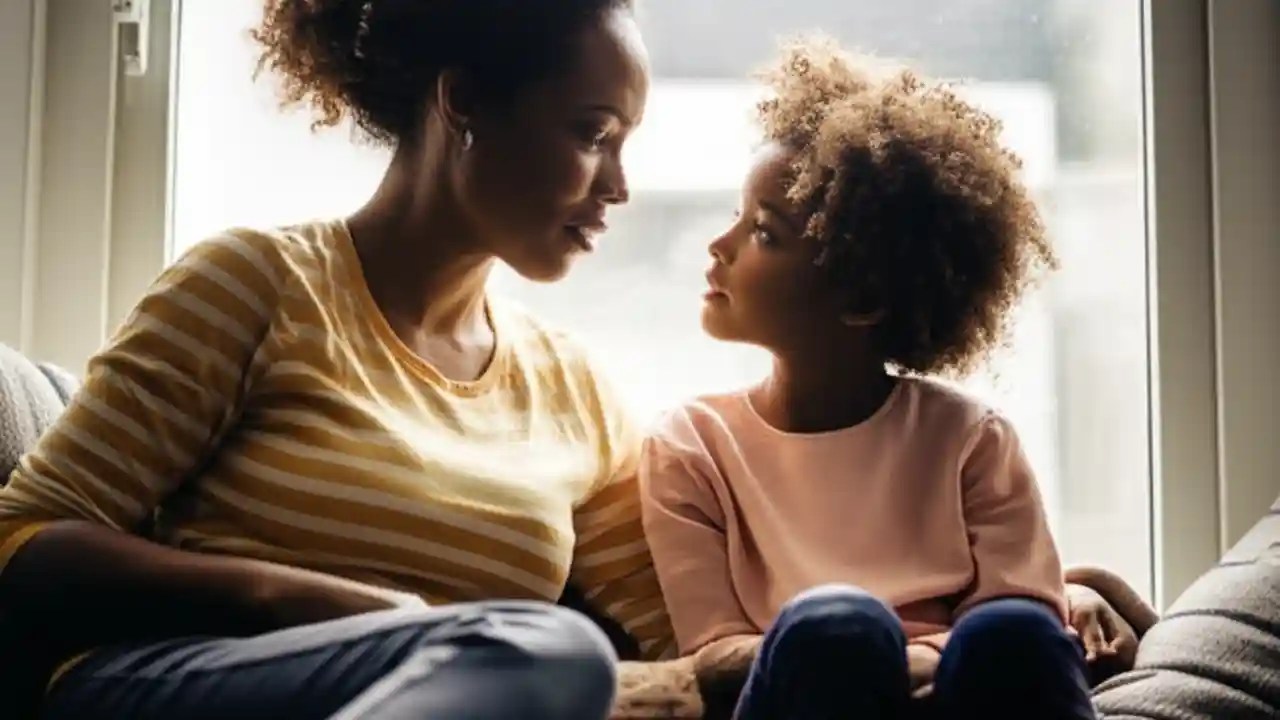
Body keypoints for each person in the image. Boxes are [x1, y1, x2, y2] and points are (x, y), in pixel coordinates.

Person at [0, 1, 669, 718]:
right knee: (548, 648)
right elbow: (24, 545)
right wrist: (335, 606)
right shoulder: (258, 285)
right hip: (170, 681)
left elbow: (677, 644)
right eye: (593, 134)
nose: (619, 186)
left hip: (449, 688)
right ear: (464, 101)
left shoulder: (574, 391)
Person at [640, 37, 1123, 720]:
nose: (719, 246)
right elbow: (714, 651)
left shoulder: (972, 441)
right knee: (835, 630)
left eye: (765, 232)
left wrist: (920, 661)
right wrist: (867, 653)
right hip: (806, 692)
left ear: (862, 298)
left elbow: (1027, 610)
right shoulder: (691, 446)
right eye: (736, 218)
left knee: (1015, 633)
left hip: (954, 698)